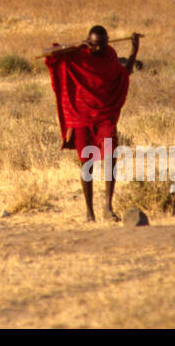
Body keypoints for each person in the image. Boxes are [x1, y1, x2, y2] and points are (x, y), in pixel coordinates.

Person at [44, 26, 141, 222]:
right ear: (88, 42)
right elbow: (47, 53)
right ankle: (89, 212)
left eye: (103, 45)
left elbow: (124, 73)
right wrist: (73, 45)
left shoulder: (110, 57)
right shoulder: (77, 54)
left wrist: (134, 50)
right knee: (86, 162)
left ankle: (108, 207)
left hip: (104, 115)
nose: (99, 49)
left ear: (108, 42)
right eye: (95, 45)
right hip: (81, 115)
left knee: (111, 155)